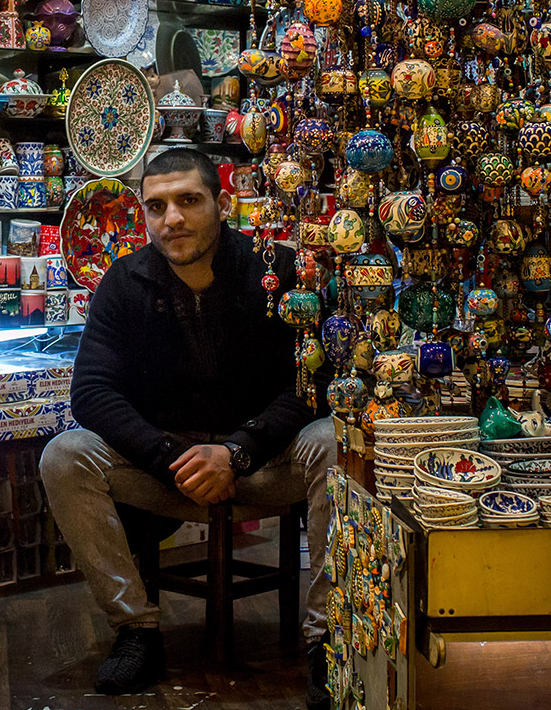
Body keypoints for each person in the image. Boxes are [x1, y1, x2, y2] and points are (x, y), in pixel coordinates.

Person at [40, 148, 332, 708]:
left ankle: (327, 638)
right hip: (171, 473)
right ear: (143, 216)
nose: (171, 218)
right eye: (156, 206)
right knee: (65, 455)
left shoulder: (277, 270)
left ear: (222, 205)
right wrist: (173, 457)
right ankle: (136, 629)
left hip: (265, 464)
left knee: (334, 442)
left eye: (188, 200)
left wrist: (237, 453)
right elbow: (91, 393)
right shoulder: (124, 281)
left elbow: (310, 383)